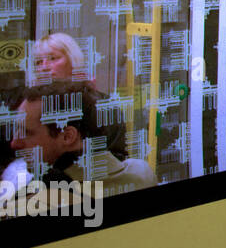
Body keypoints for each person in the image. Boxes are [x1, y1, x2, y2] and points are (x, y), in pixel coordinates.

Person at [5, 81, 156, 194]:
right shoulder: (143, 173)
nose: (14, 143)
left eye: (27, 132)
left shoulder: (41, 201)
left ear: (67, 137)